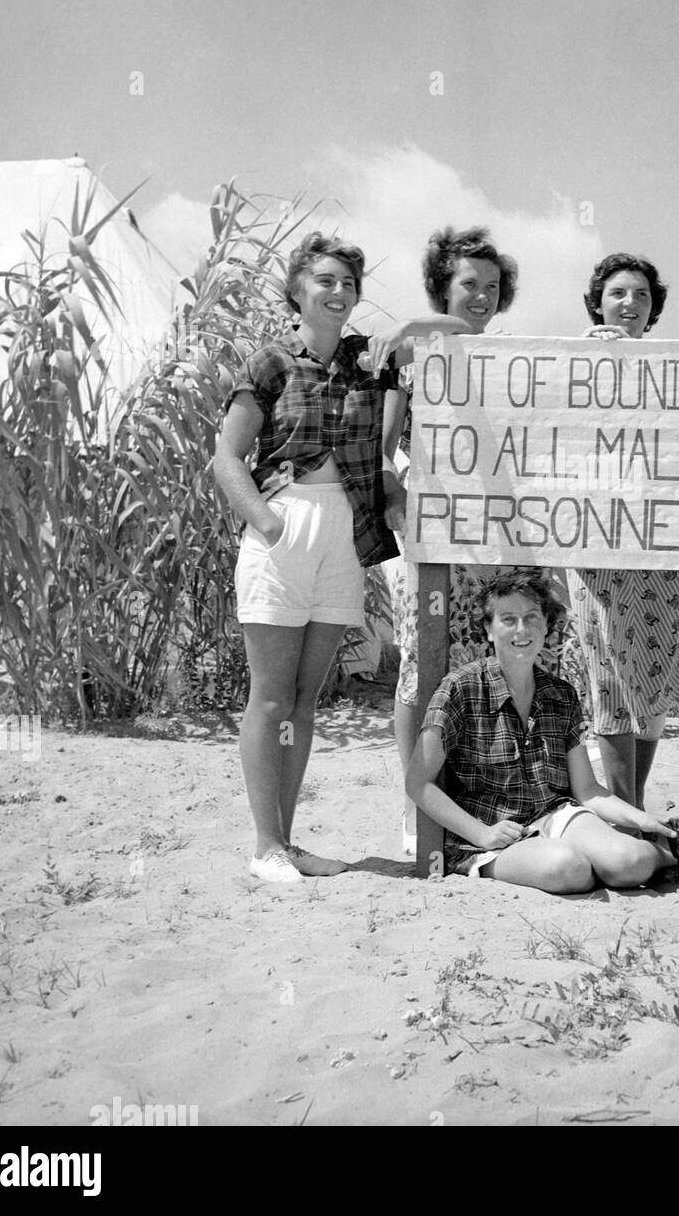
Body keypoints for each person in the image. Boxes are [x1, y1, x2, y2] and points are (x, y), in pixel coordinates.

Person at [214, 231, 471, 883]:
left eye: (348, 283)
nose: (338, 292)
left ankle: (287, 843)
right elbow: (225, 460)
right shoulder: (271, 361)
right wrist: (268, 523)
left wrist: (403, 328)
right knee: (269, 700)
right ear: (297, 290)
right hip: (285, 524)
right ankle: (264, 845)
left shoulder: (369, 358)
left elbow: (454, 326)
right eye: (324, 280)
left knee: (304, 702)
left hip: (346, 535)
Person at [383, 226, 576, 857]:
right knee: (423, 669)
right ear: (443, 285)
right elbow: (382, 455)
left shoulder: (510, 362)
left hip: (506, 542)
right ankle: (418, 810)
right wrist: (398, 506)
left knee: (502, 661)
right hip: (440, 537)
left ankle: (504, 800)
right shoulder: (413, 361)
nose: (483, 297)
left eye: (494, 288)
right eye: (469, 284)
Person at [406, 571, 679, 891]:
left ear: (545, 625)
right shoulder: (460, 688)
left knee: (629, 862)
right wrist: (480, 833)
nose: (521, 629)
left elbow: (587, 790)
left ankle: (675, 855)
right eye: (508, 619)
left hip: (553, 814)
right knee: (568, 868)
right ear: (488, 628)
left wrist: (642, 819)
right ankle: (594, 861)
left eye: (531, 618)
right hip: (492, 833)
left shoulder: (561, 694)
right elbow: (419, 782)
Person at [564, 253, 679, 808]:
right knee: (608, 671)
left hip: (663, 543)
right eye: (618, 293)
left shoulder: (677, 371)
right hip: (597, 541)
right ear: (597, 302)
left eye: (641, 295)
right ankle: (624, 809)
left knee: (655, 669)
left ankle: (633, 805)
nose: (629, 304)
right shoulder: (571, 362)